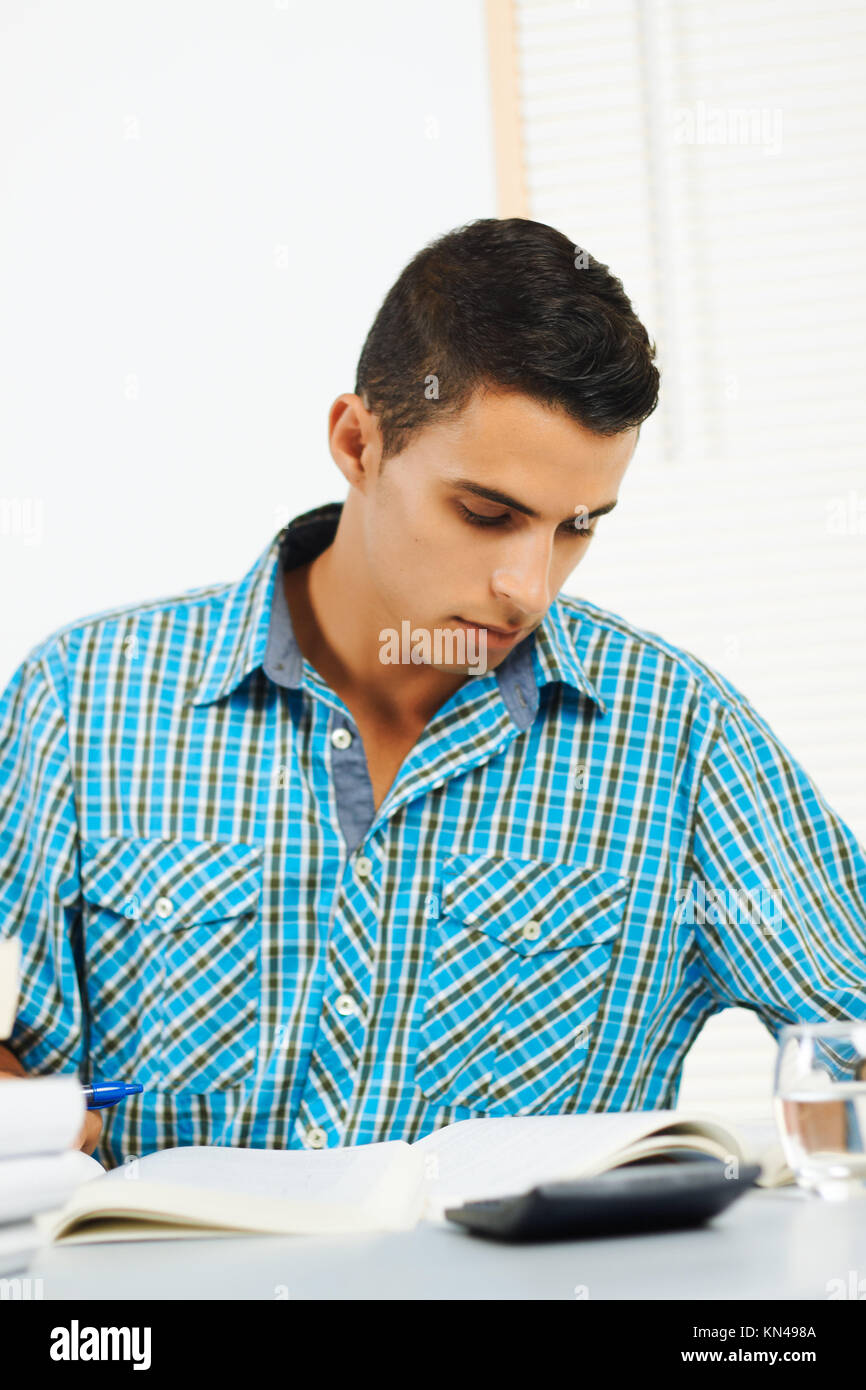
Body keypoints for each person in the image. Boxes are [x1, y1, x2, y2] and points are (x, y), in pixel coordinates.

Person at [1, 217, 864, 1169]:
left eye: (577, 527)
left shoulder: (684, 738)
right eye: (487, 514)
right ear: (358, 441)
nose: (528, 586)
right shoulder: (79, 704)